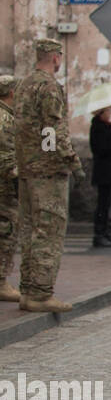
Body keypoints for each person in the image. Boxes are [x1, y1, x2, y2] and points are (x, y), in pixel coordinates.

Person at [14, 39, 84, 313]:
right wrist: (72, 162)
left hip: (26, 170)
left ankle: (27, 291)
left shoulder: (23, 85)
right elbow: (52, 130)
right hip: (47, 172)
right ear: (55, 58)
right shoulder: (49, 86)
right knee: (48, 232)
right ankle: (41, 294)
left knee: (31, 231)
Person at [89, 106, 111, 248]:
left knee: (107, 203)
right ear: (101, 114)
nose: (110, 114)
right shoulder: (98, 128)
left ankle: (106, 232)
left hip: (108, 171)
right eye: (108, 112)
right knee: (103, 203)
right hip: (103, 171)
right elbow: (101, 148)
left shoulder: (107, 127)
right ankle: (100, 233)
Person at [0, 76, 17, 300]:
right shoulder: (5, 120)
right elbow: (7, 156)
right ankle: (1, 282)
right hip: (5, 188)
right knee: (7, 233)